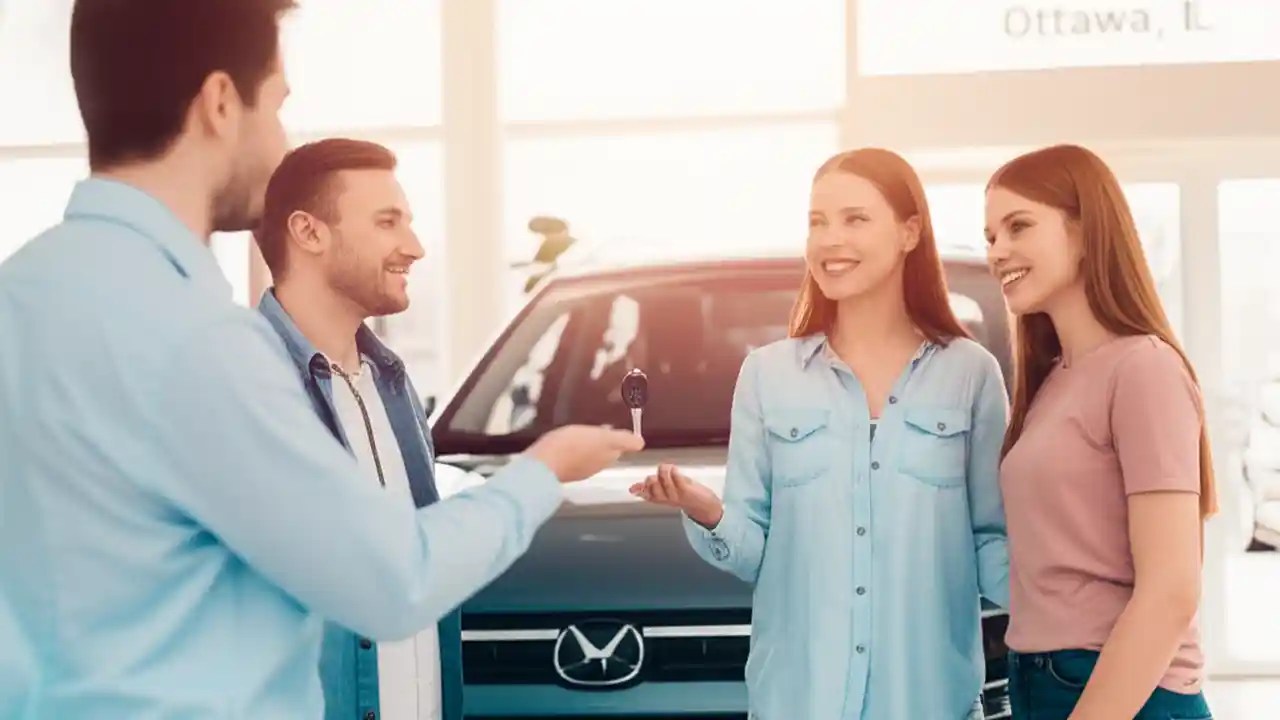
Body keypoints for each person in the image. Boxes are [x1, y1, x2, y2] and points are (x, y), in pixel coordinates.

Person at [0, 2, 642, 718]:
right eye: (275, 106)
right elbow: (394, 579)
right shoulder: (200, 339)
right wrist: (544, 469)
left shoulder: (18, 300)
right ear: (219, 104)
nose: (279, 143)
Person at [631, 148, 1010, 719]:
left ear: (909, 232)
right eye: (817, 221)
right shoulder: (768, 374)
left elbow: (992, 543)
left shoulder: (970, 373)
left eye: (855, 219)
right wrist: (706, 510)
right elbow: (752, 553)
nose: (831, 239)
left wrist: (1090, 600)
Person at [984, 144, 1215, 719]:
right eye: (990, 236)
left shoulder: (1144, 368)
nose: (998, 251)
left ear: (1086, 233)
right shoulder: (1050, 382)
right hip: (1042, 683)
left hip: (1126, 693)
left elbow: (1170, 593)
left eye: (1018, 226)